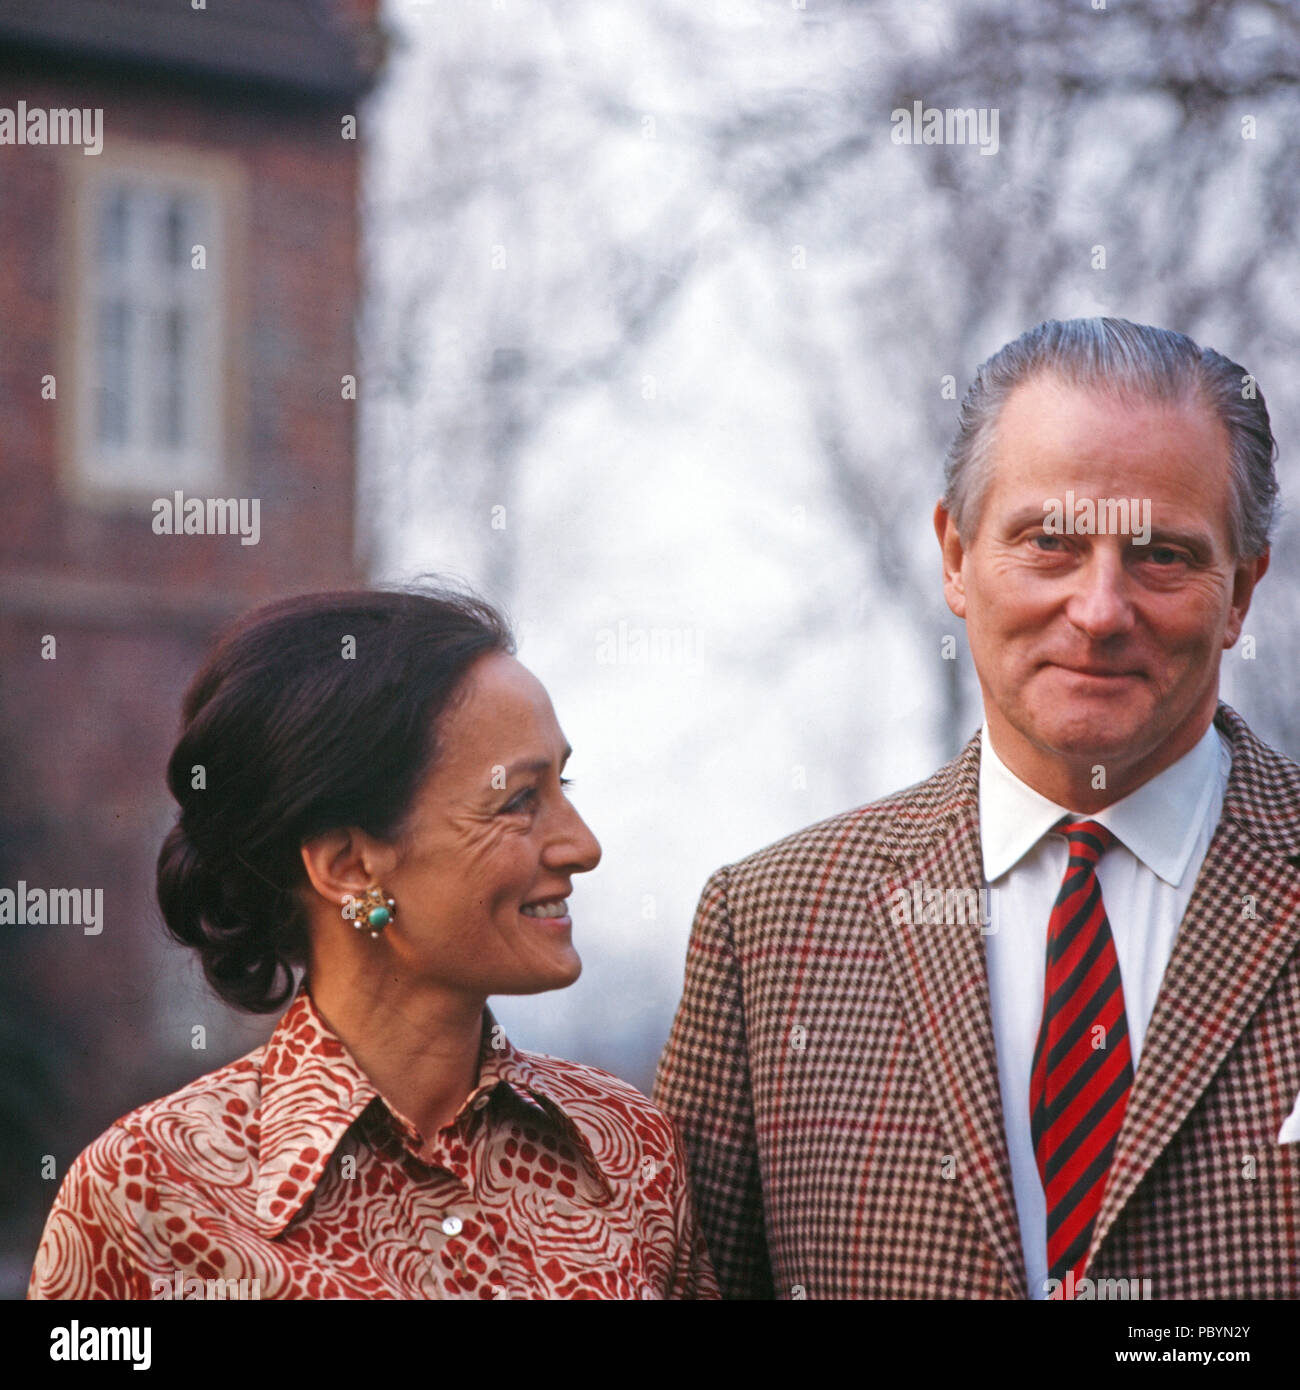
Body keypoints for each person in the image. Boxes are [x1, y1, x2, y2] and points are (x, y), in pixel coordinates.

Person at [654, 317, 1300, 1300]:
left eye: (1161, 554)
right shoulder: (767, 929)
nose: (1098, 609)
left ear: (1241, 592)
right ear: (954, 555)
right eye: (1049, 541)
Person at [30, 586, 718, 1300]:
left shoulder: (631, 1154)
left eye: (563, 784)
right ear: (349, 866)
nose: (583, 845)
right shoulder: (144, 1195)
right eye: (519, 800)